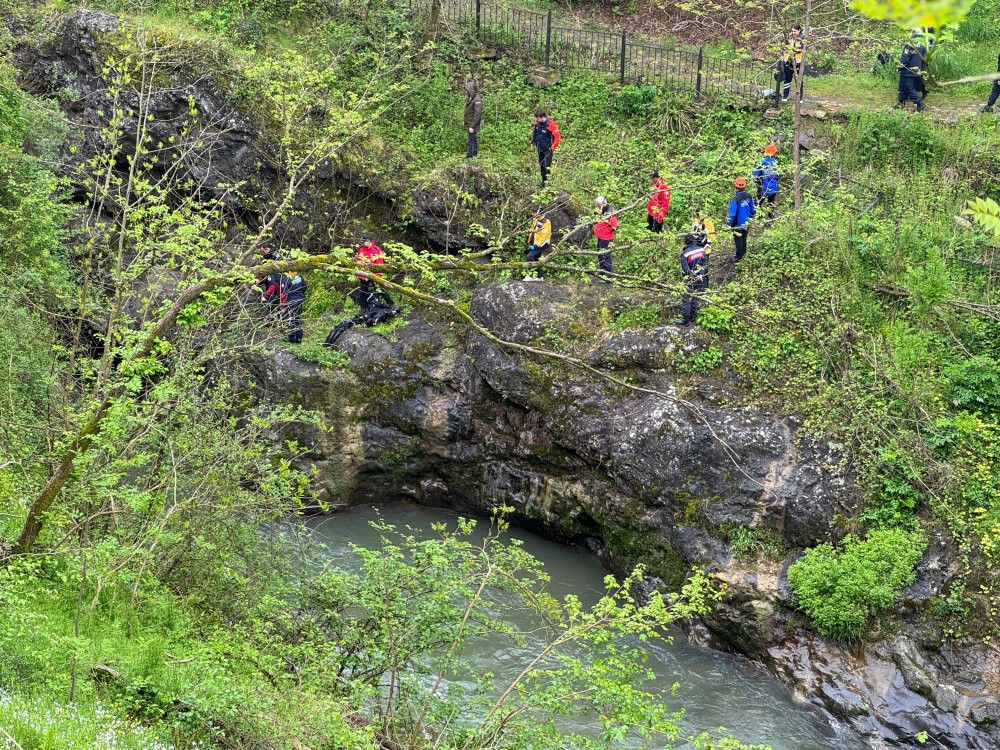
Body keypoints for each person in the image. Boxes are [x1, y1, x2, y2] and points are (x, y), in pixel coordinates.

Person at [352, 235, 395, 309]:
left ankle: (391, 304)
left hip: (374, 275)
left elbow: (380, 265)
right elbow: (357, 261)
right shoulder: (361, 249)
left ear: (368, 241)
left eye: (364, 242)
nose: (362, 243)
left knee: (380, 290)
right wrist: (357, 275)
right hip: (363, 275)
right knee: (363, 292)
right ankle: (363, 308)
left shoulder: (376, 250)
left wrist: (377, 277)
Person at [677, 233, 708, 326]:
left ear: (686, 242)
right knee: (695, 296)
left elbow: (685, 269)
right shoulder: (702, 250)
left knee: (686, 298)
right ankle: (692, 317)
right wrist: (701, 275)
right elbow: (705, 264)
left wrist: (694, 276)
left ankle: (685, 321)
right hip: (701, 278)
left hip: (689, 279)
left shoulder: (685, 254)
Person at [896, 30, 926, 112]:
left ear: (913, 33)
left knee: (909, 87)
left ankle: (920, 104)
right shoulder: (923, 43)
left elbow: (905, 56)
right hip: (917, 69)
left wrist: (900, 66)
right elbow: (924, 57)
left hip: (908, 69)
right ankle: (900, 102)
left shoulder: (910, 43)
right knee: (903, 85)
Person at [727, 177, 756, 262]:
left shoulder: (735, 199)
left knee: (738, 239)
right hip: (747, 222)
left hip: (737, 224)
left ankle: (738, 256)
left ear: (735, 186)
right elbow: (753, 209)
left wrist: (728, 224)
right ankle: (743, 253)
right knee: (744, 237)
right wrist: (751, 218)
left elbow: (732, 214)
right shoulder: (748, 196)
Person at [530, 110, 561, 187]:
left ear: (543, 117)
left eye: (538, 118)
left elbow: (557, 137)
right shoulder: (537, 123)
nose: (536, 120)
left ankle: (549, 183)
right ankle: (543, 181)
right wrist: (532, 142)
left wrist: (553, 147)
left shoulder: (551, 124)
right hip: (540, 147)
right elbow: (535, 132)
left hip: (548, 149)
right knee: (541, 164)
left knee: (547, 166)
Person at [752, 144, 781, 218]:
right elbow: (779, 176)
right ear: (774, 153)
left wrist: (759, 182)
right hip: (773, 188)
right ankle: (770, 219)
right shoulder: (776, 163)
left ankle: (756, 218)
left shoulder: (761, 162)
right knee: (771, 204)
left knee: (758, 204)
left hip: (762, 187)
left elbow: (755, 175)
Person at [593, 196, 618, 275]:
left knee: (606, 255)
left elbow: (615, 226)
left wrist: (608, 232)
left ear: (602, 204)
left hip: (606, 238)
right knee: (600, 254)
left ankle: (608, 275)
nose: (596, 206)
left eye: (597, 204)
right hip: (600, 237)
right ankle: (602, 270)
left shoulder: (610, 212)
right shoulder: (601, 210)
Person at [781, 23, 805, 104]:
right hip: (788, 61)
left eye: (795, 31)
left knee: (799, 80)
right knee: (787, 79)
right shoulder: (788, 38)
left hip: (798, 62)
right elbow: (784, 48)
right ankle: (785, 96)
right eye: (792, 31)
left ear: (799, 31)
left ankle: (800, 97)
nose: (793, 33)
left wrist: (793, 51)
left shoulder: (803, 39)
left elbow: (802, 50)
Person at [525, 208, 551, 280]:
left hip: (541, 244)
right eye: (532, 213)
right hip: (534, 242)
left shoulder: (545, 222)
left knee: (529, 257)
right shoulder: (535, 219)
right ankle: (539, 276)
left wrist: (537, 245)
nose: (532, 214)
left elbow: (544, 235)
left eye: (534, 213)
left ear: (539, 213)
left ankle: (531, 275)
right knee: (534, 258)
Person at [284, 270, 307, 344]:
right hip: (299, 299)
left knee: (292, 318)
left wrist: (284, 302)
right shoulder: (300, 278)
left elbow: (285, 291)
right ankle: (299, 337)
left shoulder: (287, 278)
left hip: (292, 300)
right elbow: (305, 287)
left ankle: (292, 338)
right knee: (298, 318)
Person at [464, 77, 483, 158]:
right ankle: (474, 154)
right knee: (473, 139)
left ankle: (470, 156)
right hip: (469, 122)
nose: (466, 91)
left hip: (473, 124)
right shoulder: (470, 97)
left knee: (471, 141)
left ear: (472, 90)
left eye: (467, 90)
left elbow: (477, 114)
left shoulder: (477, 99)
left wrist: (472, 126)